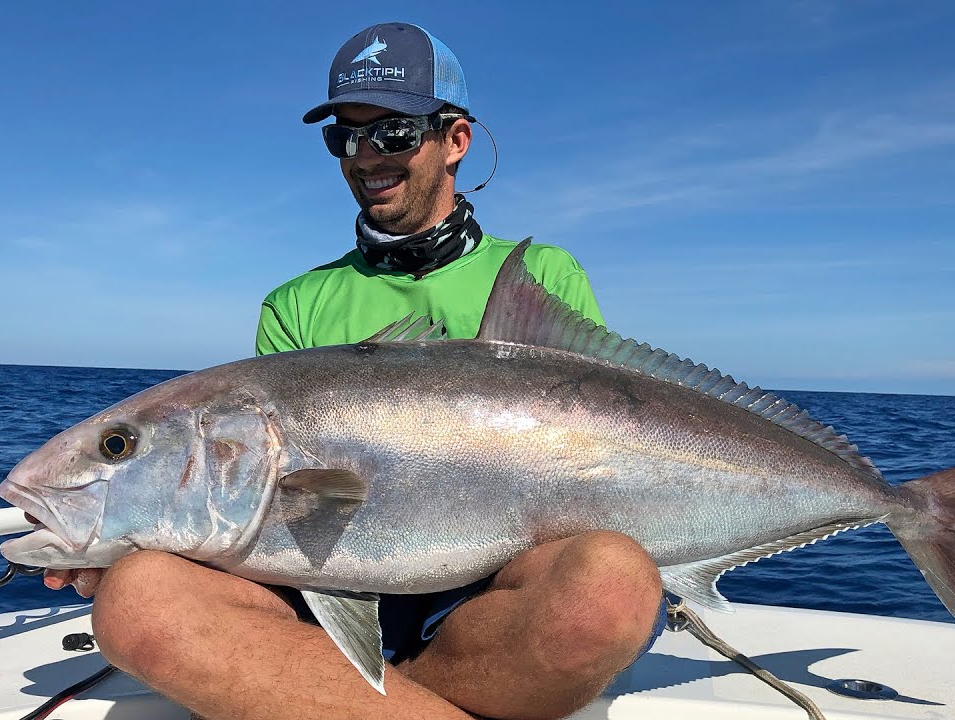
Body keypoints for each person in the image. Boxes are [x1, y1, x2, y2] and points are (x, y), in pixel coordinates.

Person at [51, 23, 667, 720]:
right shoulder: (296, 305)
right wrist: (127, 523)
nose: (366, 155)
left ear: (455, 140)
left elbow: (595, 451)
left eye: (394, 134)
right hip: (320, 588)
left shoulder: (541, 277)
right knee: (135, 601)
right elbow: (256, 503)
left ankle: (352, 701)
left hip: (492, 595)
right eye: (345, 136)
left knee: (611, 585)